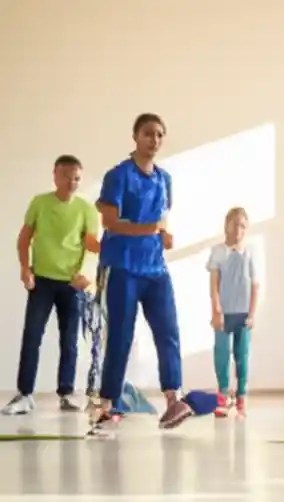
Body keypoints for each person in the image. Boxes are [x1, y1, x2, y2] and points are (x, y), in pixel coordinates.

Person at [92, 113, 193, 430]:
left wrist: (163, 235)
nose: (155, 140)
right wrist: (150, 229)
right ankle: (107, 404)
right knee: (120, 336)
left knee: (168, 333)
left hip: (155, 270)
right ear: (135, 137)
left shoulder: (165, 180)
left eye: (160, 135)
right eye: (149, 134)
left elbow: (161, 218)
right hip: (123, 268)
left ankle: (173, 400)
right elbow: (110, 222)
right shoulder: (118, 176)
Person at [3, 155, 100, 415]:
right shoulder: (40, 203)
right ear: (55, 175)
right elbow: (24, 238)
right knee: (32, 335)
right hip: (42, 281)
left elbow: (92, 247)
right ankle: (25, 394)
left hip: (71, 284)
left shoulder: (86, 210)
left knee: (69, 340)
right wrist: (25, 268)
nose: (72, 182)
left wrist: (87, 274)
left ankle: (66, 393)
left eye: (77, 178)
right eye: (67, 176)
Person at [207, 207, 260, 418]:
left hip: (243, 313)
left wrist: (252, 314)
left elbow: (255, 285)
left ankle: (241, 396)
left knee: (242, 355)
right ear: (226, 224)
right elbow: (214, 284)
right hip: (224, 312)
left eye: (242, 225)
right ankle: (223, 395)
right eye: (234, 223)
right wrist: (216, 310)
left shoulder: (249, 253)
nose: (237, 229)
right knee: (221, 353)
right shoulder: (218, 251)